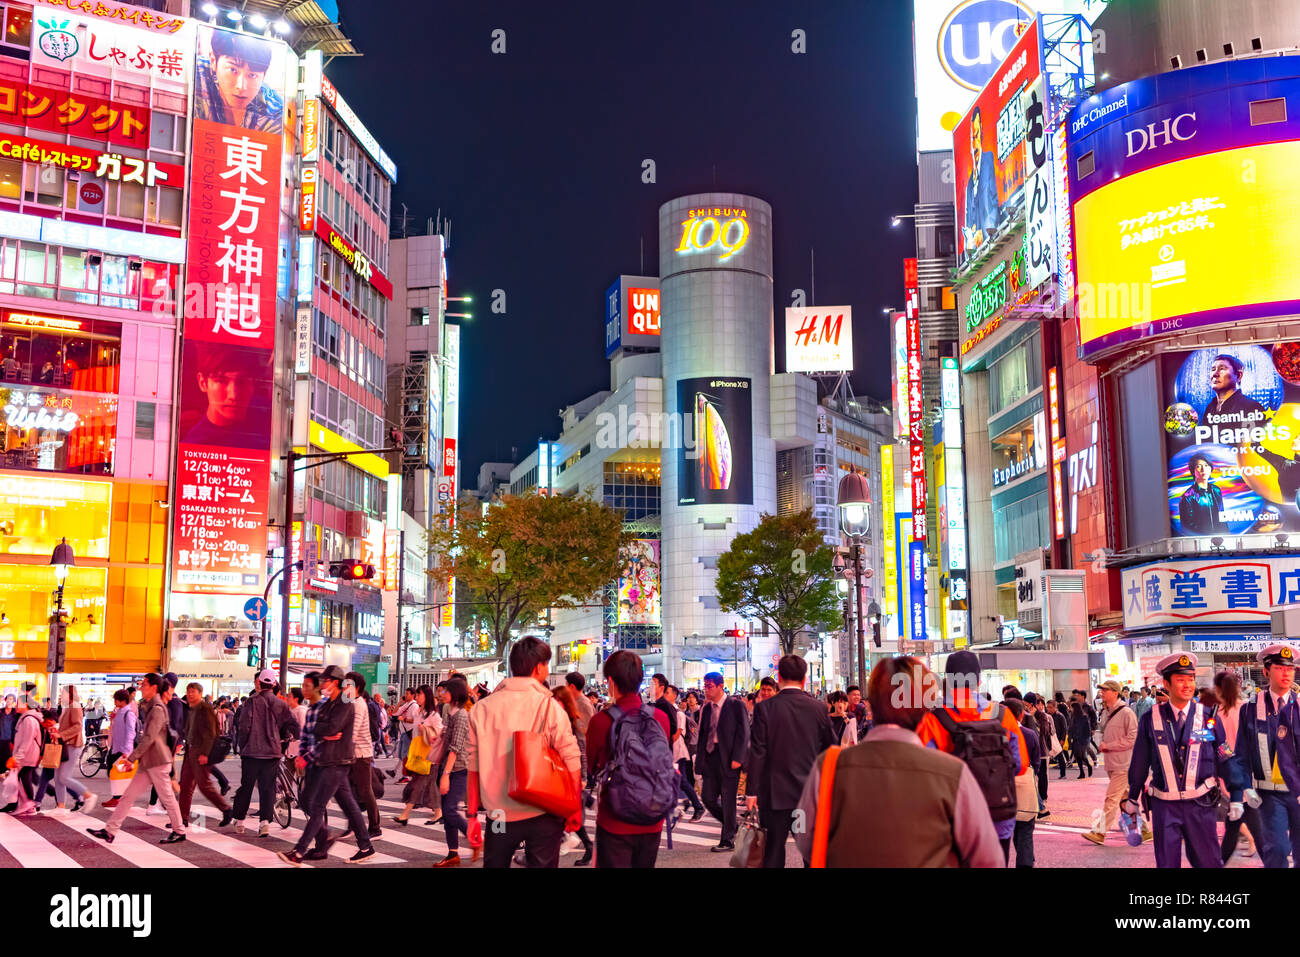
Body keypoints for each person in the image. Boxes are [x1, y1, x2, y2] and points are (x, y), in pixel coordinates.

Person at [794, 657, 1003, 867]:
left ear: (871, 705)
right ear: (925, 708)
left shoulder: (829, 766)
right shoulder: (953, 774)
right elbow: (988, 857)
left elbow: (802, 832)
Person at [465, 636, 582, 868]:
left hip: (499, 815)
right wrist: (574, 806)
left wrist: (471, 818)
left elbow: (473, 767)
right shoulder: (549, 706)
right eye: (546, 665)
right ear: (538, 668)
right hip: (544, 812)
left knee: (495, 863)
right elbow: (572, 760)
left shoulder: (481, 709)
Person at [915, 650, 1029, 863]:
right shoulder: (1003, 715)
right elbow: (1021, 764)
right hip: (998, 814)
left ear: (948, 680)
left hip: (954, 821)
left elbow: (924, 777)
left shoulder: (933, 719)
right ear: (978, 679)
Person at [1125, 652, 1230, 868]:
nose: (1187, 685)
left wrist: (1239, 790)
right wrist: (1132, 797)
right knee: (1166, 864)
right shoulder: (1150, 719)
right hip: (1165, 806)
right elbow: (1140, 761)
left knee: (1209, 862)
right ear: (1166, 683)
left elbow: (1224, 753)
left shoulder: (1209, 718)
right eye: (1180, 680)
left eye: (1190, 679)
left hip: (1201, 804)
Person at [277, 665, 376, 865]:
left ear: (336, 683)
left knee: (318, 806)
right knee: (349, 807)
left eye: (326, 681)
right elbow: (319, 729)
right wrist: (325, 731)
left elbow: (332, 727)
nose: (323, 684)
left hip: (337, 760)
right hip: (330, 758)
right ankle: (366, 847)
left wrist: (325, 730)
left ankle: (298, 852)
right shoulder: (329, 704)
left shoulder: (343, 703)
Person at [745, 654, 836, 868]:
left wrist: (751, 791)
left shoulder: (765, 709)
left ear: (779, 676)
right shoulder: (818, 709)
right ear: (804, 679)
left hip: (774, 796)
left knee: (773, 852)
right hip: (806, 796)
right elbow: (831, 749)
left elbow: (758, 751)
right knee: (810, 852)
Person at [585, 650, 673, 868]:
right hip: (652, 816)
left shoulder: (600, 721)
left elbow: (593, 766)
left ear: (611, 681)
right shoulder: (660, 718)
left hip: (615, 818)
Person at [87, 673, 187, 845]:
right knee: (128, 796)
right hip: (150, 761)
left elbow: (149, 738)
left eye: (144, 684)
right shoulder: (151, 705)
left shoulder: (156, 708)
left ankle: (179, 831)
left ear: (154, 687)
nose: (141, 688)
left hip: (157, 761)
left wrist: (131, 758)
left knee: (167, 797)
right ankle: (110, 830)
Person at [1229, 643, 1300, 868]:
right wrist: (1244, 788)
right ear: (1267, 671)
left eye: (1290, 668)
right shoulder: (1250, 709)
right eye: (1280, 668)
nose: (1287, 673)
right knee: (1277, 850)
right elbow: (1241, 753)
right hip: (1269, 795)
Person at [227, 668, 298, 837]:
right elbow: (292, 724)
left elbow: (244, 727)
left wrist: (243, 746)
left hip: (251, 753)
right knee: (267, 788)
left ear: (259, 683)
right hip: (272, 753)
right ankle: (264, 823)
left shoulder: (251, 702)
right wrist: (287, 738)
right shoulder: (281, 704)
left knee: (247, 787)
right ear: (273, 684)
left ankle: (240, 821)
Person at [1082, 679, 1140, 846]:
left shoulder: (1127, 713)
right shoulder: (1106, 712)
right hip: (1111, 762)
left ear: (1115, 692)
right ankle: (1142, 830)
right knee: (1125, 798)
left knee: (1112, 798)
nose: (1102, 693)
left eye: (1105, 690)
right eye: (1101, 690)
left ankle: (1100, 832)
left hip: (1123, 764)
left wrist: (1109, 745)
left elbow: (1132, 739)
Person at [696, 671, 749, 852]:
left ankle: (727, 840)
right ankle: (732, 826)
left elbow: (744, 732)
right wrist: (699, 762)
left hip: (728, 757)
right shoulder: (707, 708)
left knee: (728, 800)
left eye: (709, 686)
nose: (706, 690)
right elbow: (703, 735)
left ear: (720, 686)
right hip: (711, 757)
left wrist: (738, 758)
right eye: (705, 686)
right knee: (707, 798)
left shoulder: (734, 705)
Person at [194, 27, 284, 132]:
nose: (241, 86)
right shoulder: (195, 74)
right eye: (233, 70)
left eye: (252, 75)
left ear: (264, 75)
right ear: (213, 61)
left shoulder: (273, 111)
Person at [182, 345, 270, 449]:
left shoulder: (269, 414)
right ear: (203, 383)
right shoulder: (197, 446)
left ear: (253, 384)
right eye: (221, 381)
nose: (233, 395)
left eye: (242, 381)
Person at [1215, 670, 1262, 862]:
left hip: (1229, 773)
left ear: (1218, 689)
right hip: (1248, 772)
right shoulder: (1247, 709)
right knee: (1237, 820)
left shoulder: (1214, 714)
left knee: (1240, 821)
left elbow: (1216, 744)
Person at [432, 677, 476, 866]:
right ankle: (453, 853)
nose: (443, 694)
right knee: (448, 814)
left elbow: (456, 747)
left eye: (446, 691)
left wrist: (446, 775)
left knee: (449, 811)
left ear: (455, 694)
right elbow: (450, 738)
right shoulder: (451, 712)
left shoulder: (461, 716)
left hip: (458, 768)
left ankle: (475, 839)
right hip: (448, 766)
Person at [178, 682, 231, 827]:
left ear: (200, 693)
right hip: (190, 750)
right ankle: (182, 819)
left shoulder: (205, 708)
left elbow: (210, 733)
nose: (189, 694)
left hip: (200, 750)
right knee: (185, 785)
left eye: (193, 692)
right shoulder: (191, 709)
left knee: (204, 785)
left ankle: (226, 809)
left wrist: (205, 753)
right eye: (188, 692)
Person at [552, 685, 593, 865]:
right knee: (569, 818)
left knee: (567, 817)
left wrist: (582, 778)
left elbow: (581, 751)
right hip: (558, 775)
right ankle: (587, 846)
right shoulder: (555, 720)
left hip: (569, 775)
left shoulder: (572, 722)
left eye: (556, 700)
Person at [392, 685, 444, 828]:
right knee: (430, 785)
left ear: (426, 696)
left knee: (418, 784)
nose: (417, 697)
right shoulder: (420, 713)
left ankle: (405, 814)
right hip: (420, 754)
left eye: (419, 695)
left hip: (430, 756)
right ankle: (438, 812)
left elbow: (439, 733)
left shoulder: (434, 715)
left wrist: (425, 729)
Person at [344, 671, 382, 840]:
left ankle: (375, 827)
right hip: (353, 754)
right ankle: (353, 825)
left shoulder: (359, 704)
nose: (344, 688)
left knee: (365, 791)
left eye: (347, 685)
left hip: (361, 755)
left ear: (356, 687)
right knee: (350, 791)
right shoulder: (351, 701)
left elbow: (354, 729)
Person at [1003, 697, 1039, 867]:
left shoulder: (995, 732)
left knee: (1001, 834)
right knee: (1024, 829)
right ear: (1020, 716)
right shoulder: (1030, 734)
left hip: (1001, 788)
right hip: (1025, 786)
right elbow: (1036, 763)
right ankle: (1026, 862)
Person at [663, 684, 704, 820]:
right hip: (671, 752)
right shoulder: (668, 712)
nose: (665, 695)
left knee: (682, 781)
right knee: (678, 781)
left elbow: (677, 734)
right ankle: (684, 804)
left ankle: (697, 806)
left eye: (667, 693)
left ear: (675, 696)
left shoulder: (679, 714)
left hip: (678, 752)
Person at [961, 105, 999, 251]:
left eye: (976, 136)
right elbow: (968, 225)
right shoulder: (969, 185)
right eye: (972, 138)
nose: (974, 143)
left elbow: (994, 203)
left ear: (982, 135)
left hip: (993, 241)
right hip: (979, 251)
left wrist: (985, 233)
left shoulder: (988, 160)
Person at [51, 685, 92, 813]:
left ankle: (87, 795)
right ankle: (61, 806)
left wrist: (61, 735)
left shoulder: (74, 706)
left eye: (62, 693)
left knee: (63, 777)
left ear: (69, 694)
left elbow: (77, 726)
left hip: (72, 745)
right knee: (58, 777)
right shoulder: (67, 706)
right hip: (65, 744)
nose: (60, 695)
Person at [1203, 353, 1266, 424]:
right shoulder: (1210, 408)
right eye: (1213, 369)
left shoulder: (1252, 407)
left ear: (1239, 376)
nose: (1215, 374)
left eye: (1222, 369)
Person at [101, 689, 138, 808]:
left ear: (121, 700)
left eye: (115, 699)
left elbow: (130, 732)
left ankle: (119, 798)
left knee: (117, 773)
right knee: (114, 772)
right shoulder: (120, 711)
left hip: (122, 748)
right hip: (116, 747)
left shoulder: (128, 713)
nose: (114, 702)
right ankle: (118, 797)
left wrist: (127, 751)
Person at [9, 695, 44, 816]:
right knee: (24, 777)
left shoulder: (29, 719)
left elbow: (27, 741)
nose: (16, 705)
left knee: (23, 778)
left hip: (28, 754)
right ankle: (29, 805)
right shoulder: (26, 718)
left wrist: (17, 756)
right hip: (27, 754)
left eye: (19, 703)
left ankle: (29, 804)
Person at [1178, 453, 1228, 536]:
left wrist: (1226, 535)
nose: (1203, 469)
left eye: (1206, 465)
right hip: (1200, 541)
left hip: (1220, 538)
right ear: (1193, 471)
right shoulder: (1188, 496)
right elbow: (1187, 526)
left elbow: (1222, 516)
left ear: (1210, 468)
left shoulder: (1216, 490)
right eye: (1198, 466)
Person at [394, 687, 419, 781]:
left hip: (409, 732)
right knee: (401, 754)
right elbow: (394, 713)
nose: (406, 695)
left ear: (413, 695)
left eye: (408, 693)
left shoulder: (414, 706)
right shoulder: (406, 705)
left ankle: (406, 775)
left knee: (406, 754)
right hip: (404, 732)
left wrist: (404, 719)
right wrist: (400, 702)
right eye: (406, 693)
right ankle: (404, 774)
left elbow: (414, 720)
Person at [1069, 701, 1094, 778]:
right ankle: (1082, 772)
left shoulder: (1084, 717)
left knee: (1081, 756)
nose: (1070, 709)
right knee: (1077, 756)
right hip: (1076, 739)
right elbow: (1071, 728)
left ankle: (1088, 767)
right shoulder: (1073, 716)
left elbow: (1087, 730)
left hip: (1082, 740)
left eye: (1071, 707)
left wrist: (1085, 739)